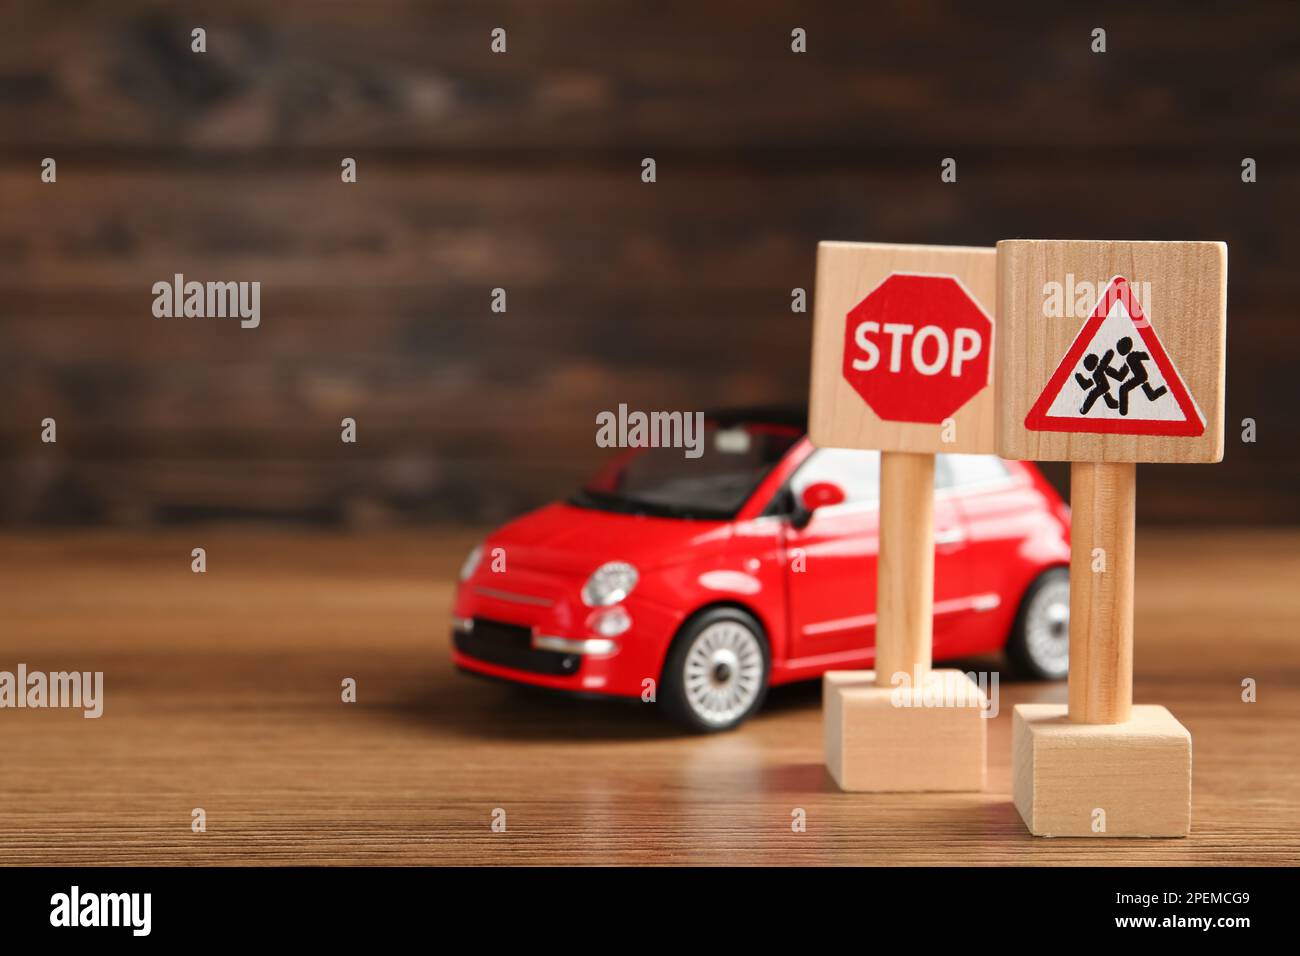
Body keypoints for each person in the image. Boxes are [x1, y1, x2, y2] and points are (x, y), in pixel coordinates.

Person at [1114, 336, 1167, 416]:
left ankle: (1123, 411)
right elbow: (1122, 374)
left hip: (1140, 377)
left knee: (1123, 389)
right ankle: (1163, 389)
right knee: (1150, 396)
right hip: (1141, 377)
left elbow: (1146, 355)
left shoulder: (1132, 356)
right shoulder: (1129, 358)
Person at [1074, 349, 1123, 415]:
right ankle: (1084, 410)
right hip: (1102, 387)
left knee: (1093, 395)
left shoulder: (1099, 370)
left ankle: (1084, 410)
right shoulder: (1097, 372)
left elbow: (1110, 354)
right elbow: (1110, 354)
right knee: (1094, 395)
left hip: (1103, 387)